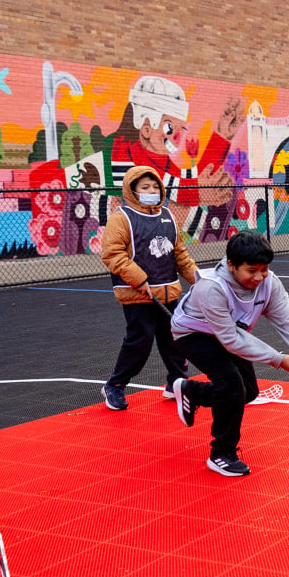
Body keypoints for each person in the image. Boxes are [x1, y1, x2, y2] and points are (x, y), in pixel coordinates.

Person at [170, 233, 289, 477]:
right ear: (231, 265)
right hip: (193, 334)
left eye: (264, 269)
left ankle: (193, 391)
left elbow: (287, 321)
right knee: (232, 386)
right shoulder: (211, 288)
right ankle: (221, 454)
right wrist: (278, 359)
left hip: (231, 334)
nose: (259, 277)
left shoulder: (269, 283)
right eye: (251, 271)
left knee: (248, 391)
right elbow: (230, 339)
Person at [99, 165, 199, 410]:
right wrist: (139, 279)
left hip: (168, 291)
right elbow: (112, 254)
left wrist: (200, 281)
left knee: (175, 338)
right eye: (145, 187)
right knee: (139, 342)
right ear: (132, 190)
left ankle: (176, 382)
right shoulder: (121, 218)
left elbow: (180, 254)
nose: (152, 191)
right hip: (138, 294)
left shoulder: (168, 216)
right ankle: (115, 385)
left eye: (155, 187)